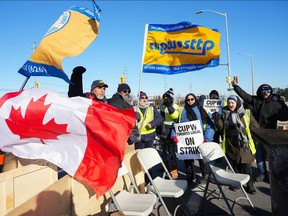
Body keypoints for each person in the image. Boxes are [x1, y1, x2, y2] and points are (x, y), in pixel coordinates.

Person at [231, 81, 288, 182]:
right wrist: (235, 86)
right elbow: (244, 95)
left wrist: (282, 104)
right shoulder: (256, 101)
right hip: (258, 133)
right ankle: (262, 173)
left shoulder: (276, 103)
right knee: (260, 154)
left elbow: (284, 116)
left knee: (272, 155)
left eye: (268, 91)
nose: (265, 93)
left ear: (271, 92)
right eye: (263, 91)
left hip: (271, 134)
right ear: (260, 92)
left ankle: (273, 174)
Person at [214, 95, 257, 194]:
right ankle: (238, 183)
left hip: (243, 143)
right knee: (235, 165)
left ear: (237, 103)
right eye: (229, 103)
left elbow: (254, 126)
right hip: (230, 144)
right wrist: (217, 120)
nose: (230, 104)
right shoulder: (224, 113)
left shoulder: (245, 112)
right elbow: (221, 128)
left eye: (232, 102)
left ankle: (250, 185)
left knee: (246, 165)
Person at [176, 93, 214, 184]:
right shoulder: (182, 110)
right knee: (188, 159)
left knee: (202, 159)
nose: (190, 101)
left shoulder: (202, 109)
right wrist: (175, 135)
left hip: (201, 139)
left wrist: (207, 138)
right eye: (188, 100)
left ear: (195, 99)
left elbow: (210, 124)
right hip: (186, 140)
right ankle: (190, 176)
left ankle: (205, 175)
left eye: (192, 99)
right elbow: (176, 123)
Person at [158, 88, 180, 179]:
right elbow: (160, 118)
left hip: (171, 131)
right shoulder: (162, 106)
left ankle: (174, 171)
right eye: (164, 97)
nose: (165, 99)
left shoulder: (175, 106)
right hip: (163, 130)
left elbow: (175, 116)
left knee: (171, 153)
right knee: (163, 152)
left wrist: (169, 106)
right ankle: (166, 168)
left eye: (167, 97)